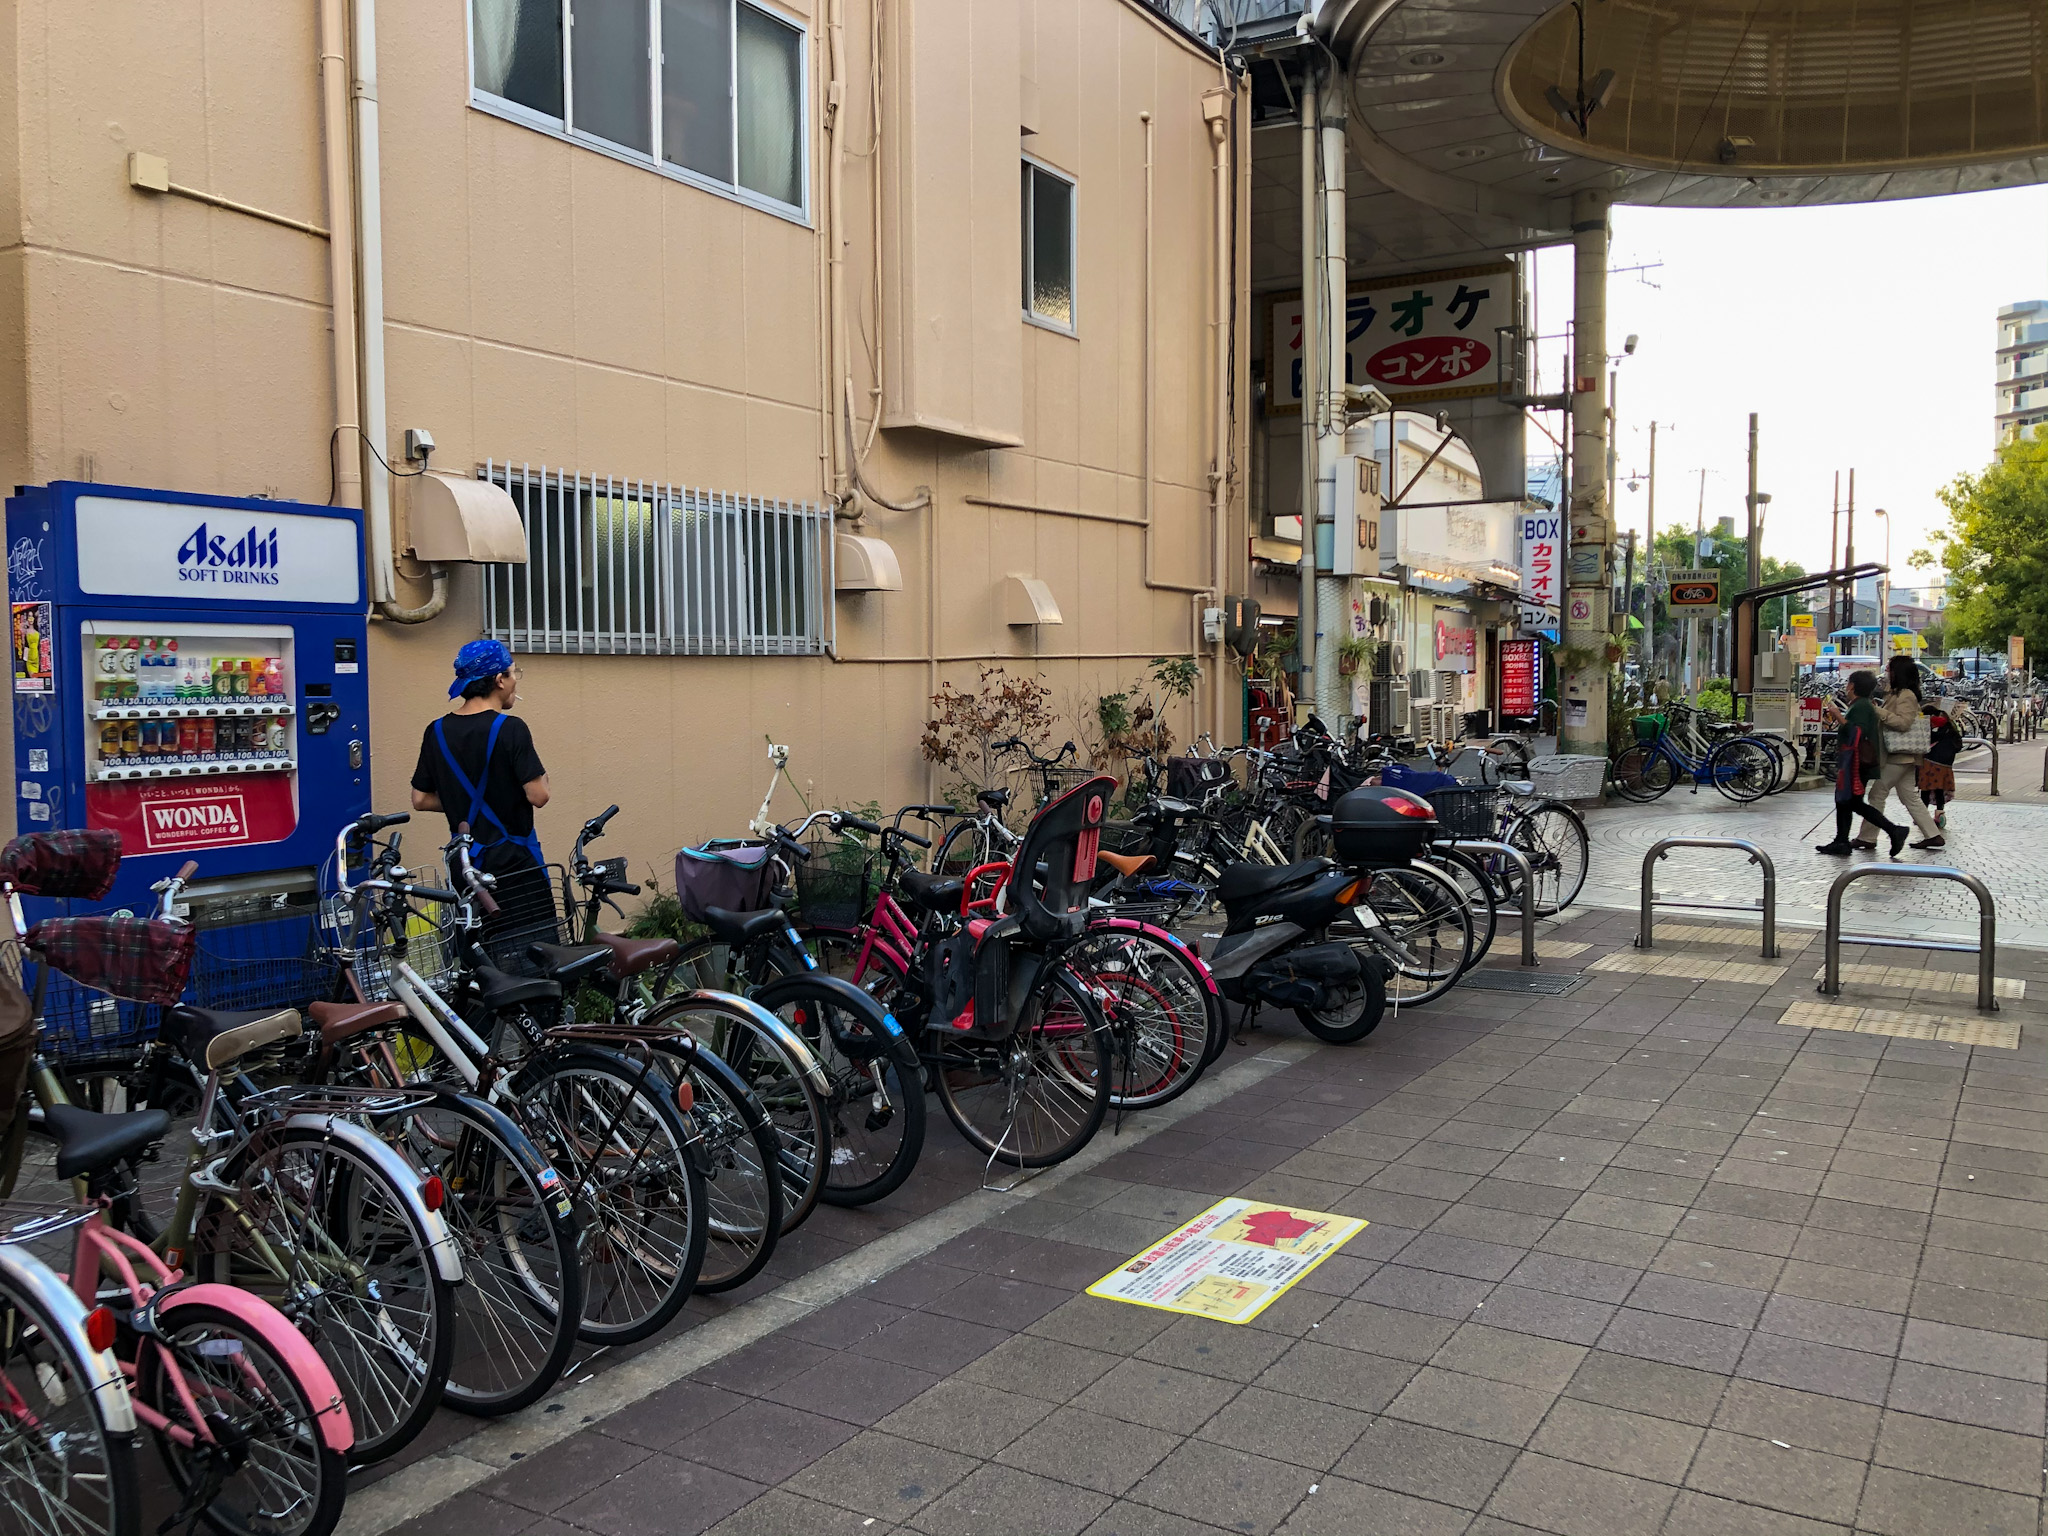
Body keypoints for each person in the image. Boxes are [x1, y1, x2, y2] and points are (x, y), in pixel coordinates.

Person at [411, 638, 557, 954]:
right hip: (515, 867)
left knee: (481, 953)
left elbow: (421, 798)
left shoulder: (435, 731)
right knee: (534, 957)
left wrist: (462, 806)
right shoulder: (511, 728)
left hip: (466, 866)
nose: (515, 678)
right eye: (513, 672)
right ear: (499, 680)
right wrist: (542, 777)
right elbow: (538, 795)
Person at [1816, 669, 1907, 858]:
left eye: (1849, 682)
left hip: (1856, 763)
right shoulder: (1861, 704)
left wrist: (1837, 715)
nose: (1846, 686)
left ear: (1853, 686)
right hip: (1856, 762)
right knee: (1845, 801)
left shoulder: (1862, 706)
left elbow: (1856, 731)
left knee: (1852, 802)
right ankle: (1841, 840)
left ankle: (1893, 830)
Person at [1865, 655, 1944, 850]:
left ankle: (1867, 837)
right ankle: (1933, 834)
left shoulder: (1905, 695)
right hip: (1903, 755)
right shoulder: (1895, 694)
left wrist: (1879, 712)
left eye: (1890, 669)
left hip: (1899, 755)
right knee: (1909, 796)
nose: (1887, 673)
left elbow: (1903, 723)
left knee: (1877, 793)